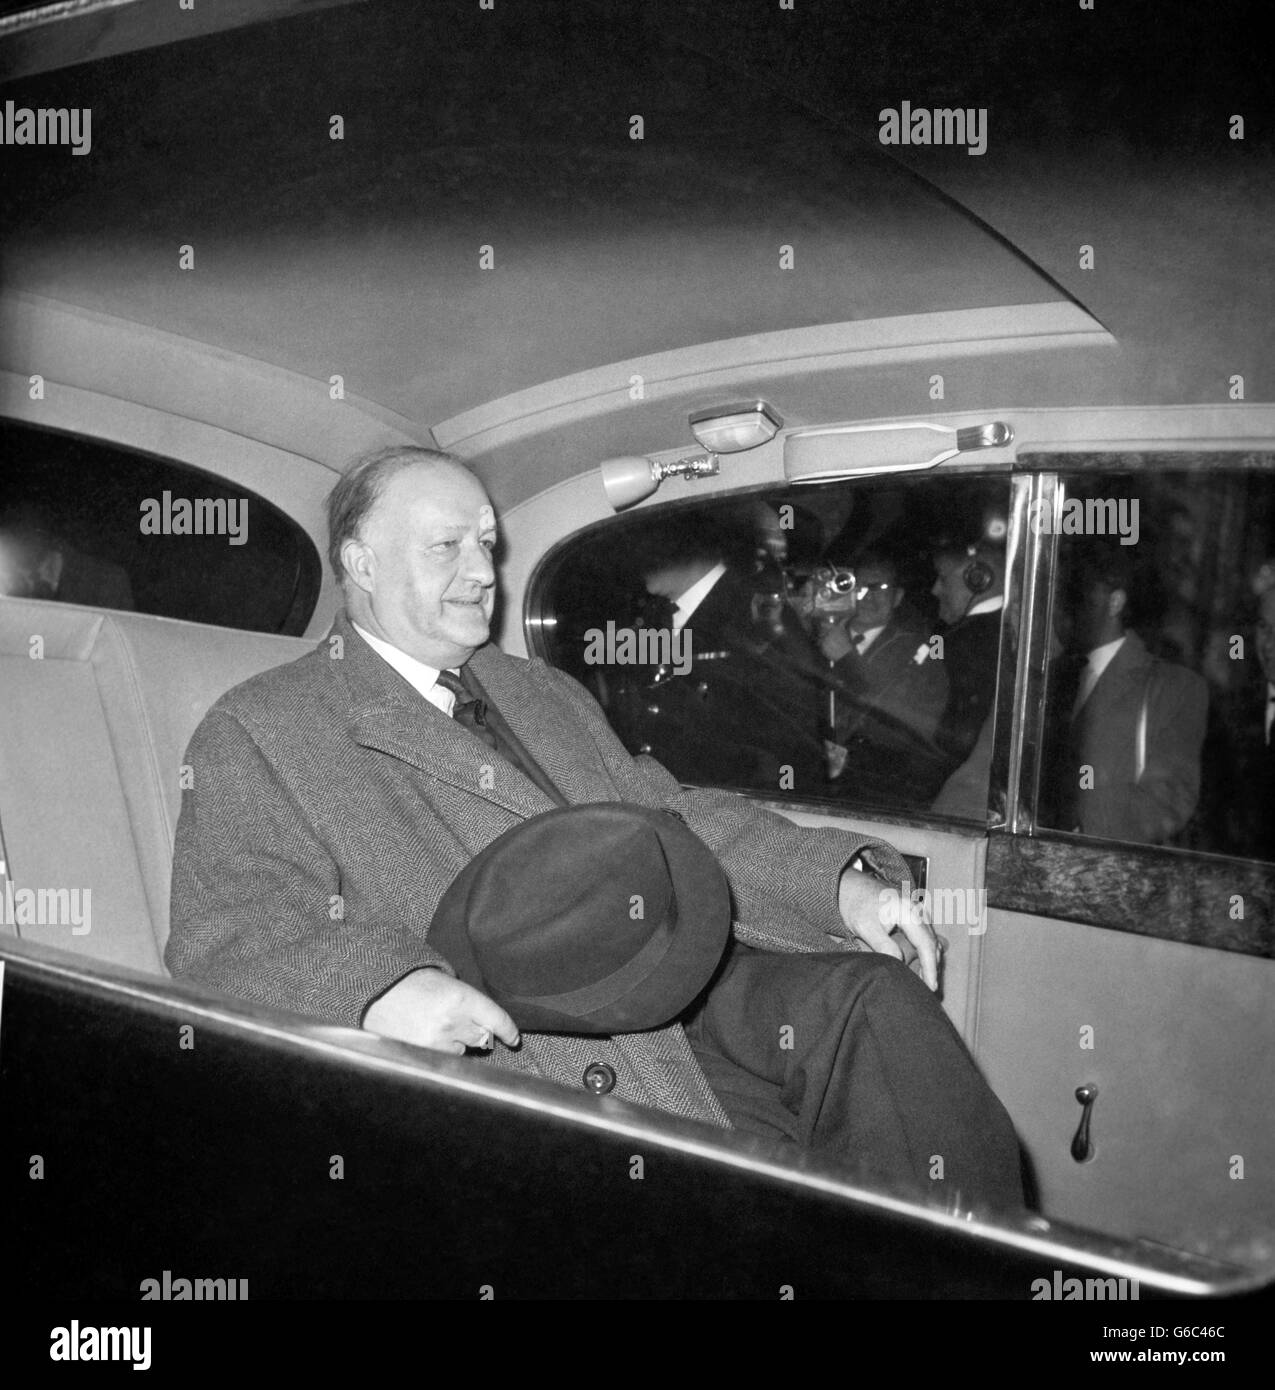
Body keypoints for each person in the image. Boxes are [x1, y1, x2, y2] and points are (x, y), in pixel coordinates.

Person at [167, 446, 1024, 1212]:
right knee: (766, 1178)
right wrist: (385, 985)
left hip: (678, 979)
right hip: (530, 1038)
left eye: (487, 543)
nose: (481, 570)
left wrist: (838, 883)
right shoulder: (263, 727)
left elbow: (671, 819)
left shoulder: (540, 691)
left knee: (874, 1002)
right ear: (359, 562)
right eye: (446, 547)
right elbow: (230, 926)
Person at [626, 521, 826, 794]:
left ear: (688, 545)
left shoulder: (761, 615)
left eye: (648, 543)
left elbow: (790, 739)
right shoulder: (651, 615)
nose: (635, 555)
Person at [1045, 543, 1208, 845]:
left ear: (1114, 602)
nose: (1062, 607)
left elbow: (1168, 800)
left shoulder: (1172, 688)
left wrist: (1084, 831)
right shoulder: (1053, 676)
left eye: (1078, 595)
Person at [811, 551, 949, 803]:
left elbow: (900, 718)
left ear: (897, 597)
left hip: (877, 790)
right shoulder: (813, 639)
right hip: (812, 784)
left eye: (881, 587)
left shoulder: (920, 650)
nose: (868, 596)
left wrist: (846, 658)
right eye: (860, 586)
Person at [929, 541, 1005, 772]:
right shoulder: (1015, 631)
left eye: (942, 578)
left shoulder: (954, 641)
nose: (935, 589)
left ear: (978, 580)